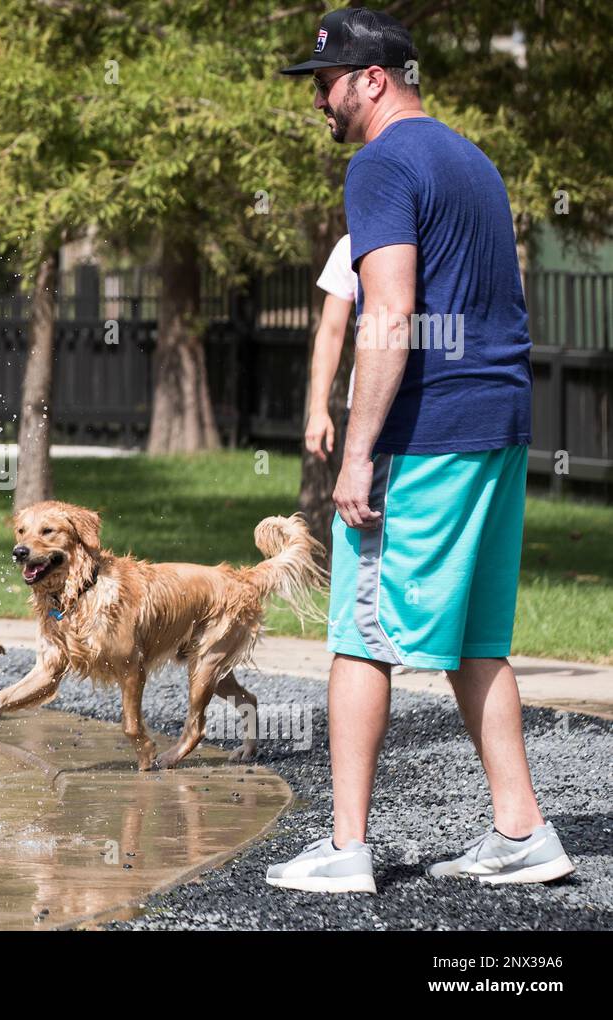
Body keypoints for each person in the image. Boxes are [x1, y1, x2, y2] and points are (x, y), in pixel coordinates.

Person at [269, 7, 573, 893]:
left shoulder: (381, 163)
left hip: (428, 432)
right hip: (499, 423)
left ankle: (346, 848)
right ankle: (523, 832)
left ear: (373, 80)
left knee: (363, 634)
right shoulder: (471, 159)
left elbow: (391, 315)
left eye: (325, 85)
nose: (319, 102)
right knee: (478, 639)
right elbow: (499, 298)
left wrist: (357, 451)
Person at [305, 234, 357, 462]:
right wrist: (317, 410)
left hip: (442, 410)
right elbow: (331, 332)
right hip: (365, 413)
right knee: (360, 498)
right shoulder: (351, 245)